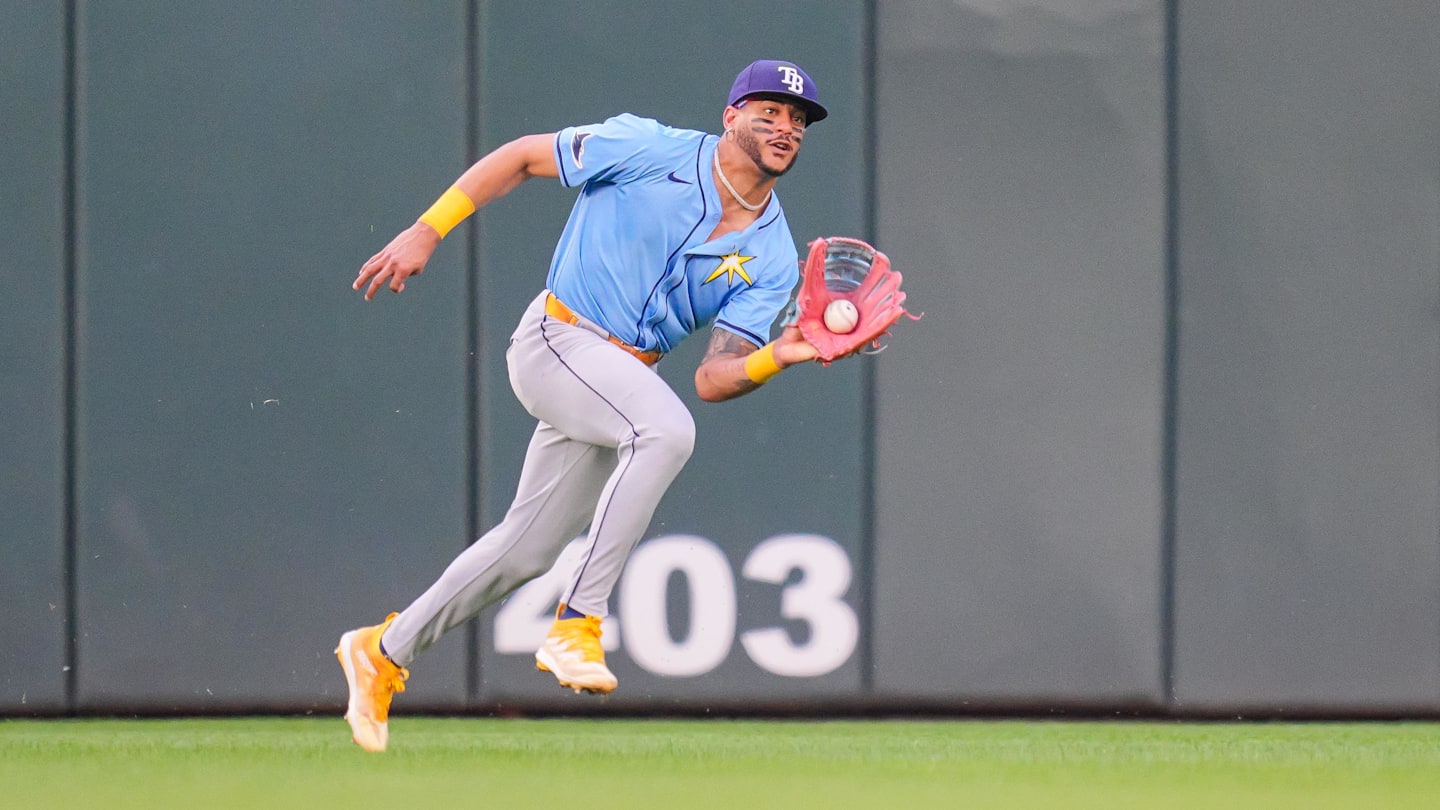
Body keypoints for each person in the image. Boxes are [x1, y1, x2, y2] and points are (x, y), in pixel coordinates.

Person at [336, 59, 828, 752]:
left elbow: (714, 378)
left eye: (798, 120)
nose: (785, 128)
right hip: (558, 337)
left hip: (620, 384)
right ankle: (578, 623)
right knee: (663, 432)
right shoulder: (651, 148)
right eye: (769, 111)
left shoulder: (773, 251)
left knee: (526, 548)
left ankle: (382, 650)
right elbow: (522, 157)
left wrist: (778, 354)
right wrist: (429, 228)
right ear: (730, 116)